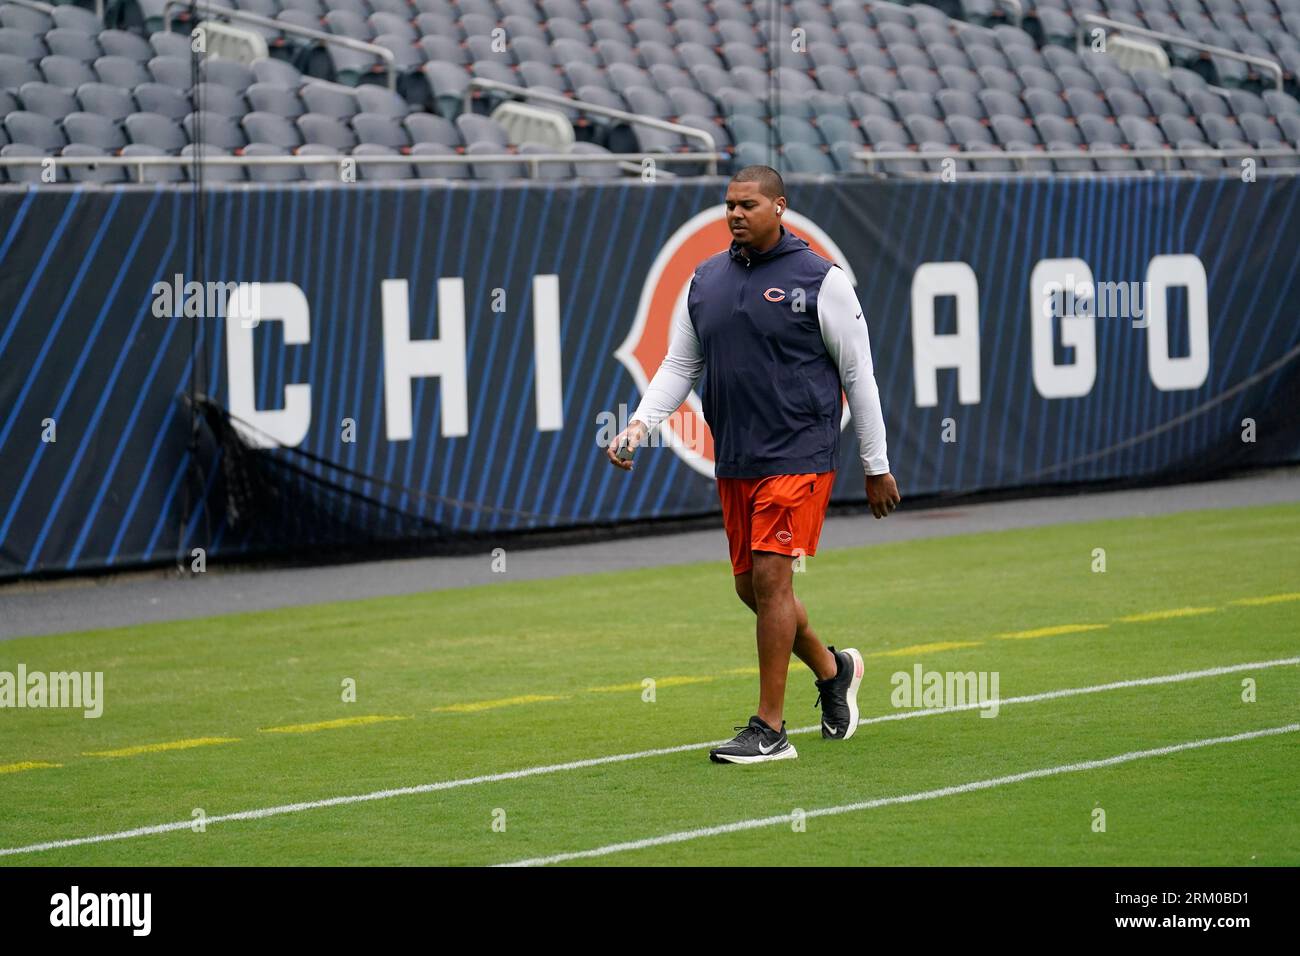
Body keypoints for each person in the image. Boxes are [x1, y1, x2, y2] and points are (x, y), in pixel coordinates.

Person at [606, 165, 901, 764]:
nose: (735, 214)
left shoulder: (823, 280)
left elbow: (858, 376)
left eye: (748, 204)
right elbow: (679, 365)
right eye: (728, 205)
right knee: (753, 589)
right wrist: (639, 423)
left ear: (780, 207)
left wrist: (876, 463)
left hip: (799, 453)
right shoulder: (705, 280)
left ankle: (770, 729)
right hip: (736, 457)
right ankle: (833, 668)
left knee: (771, 580)